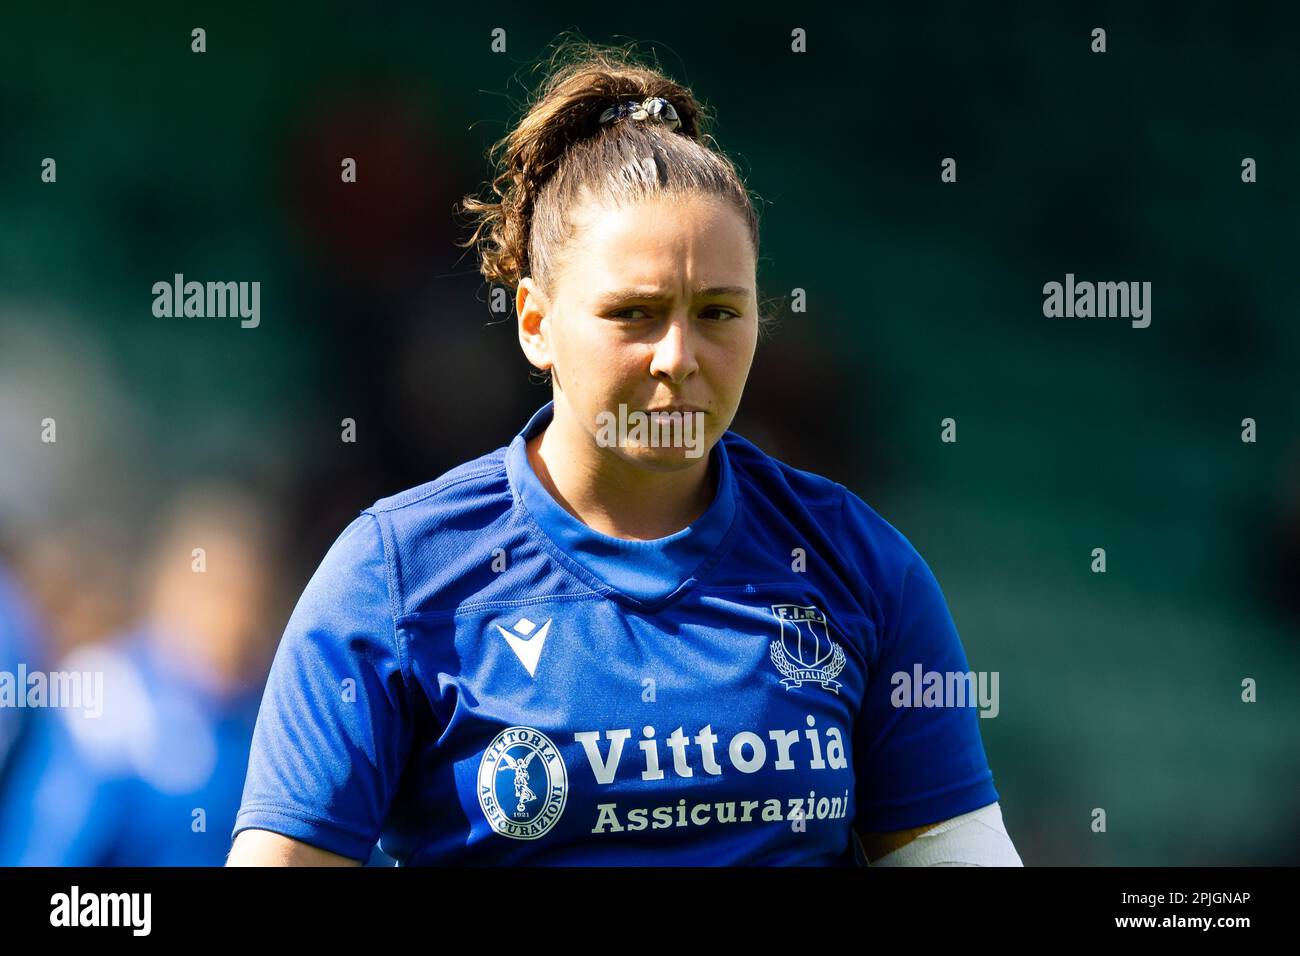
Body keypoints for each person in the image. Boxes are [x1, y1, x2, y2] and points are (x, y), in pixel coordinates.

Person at [228, 42, 1022, 866]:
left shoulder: (862, 568)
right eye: (634, 313)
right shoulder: (392, 578)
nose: (678, 355)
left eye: (718, 312)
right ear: (535, 323)